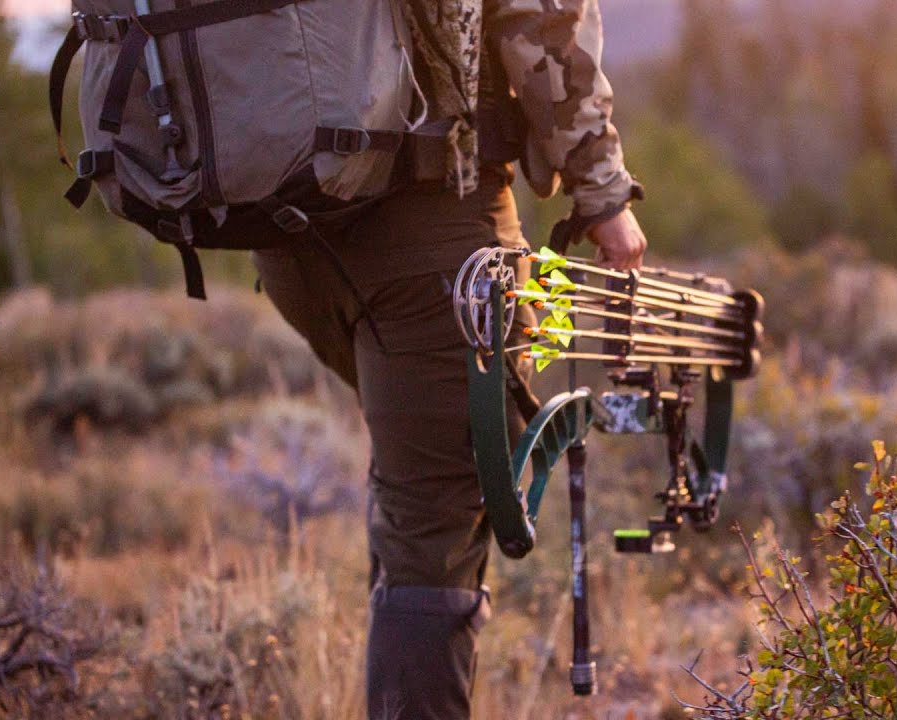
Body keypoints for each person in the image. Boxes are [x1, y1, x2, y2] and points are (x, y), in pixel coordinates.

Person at [250, 1, 645, 717]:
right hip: (431, 214)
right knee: (435, 517)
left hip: (286, 228)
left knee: (418, 487)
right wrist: (604, 187)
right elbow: (543, 21)